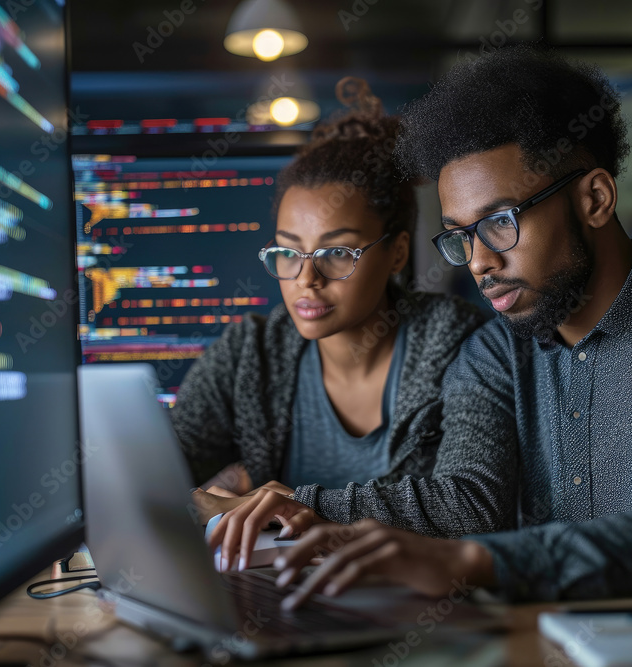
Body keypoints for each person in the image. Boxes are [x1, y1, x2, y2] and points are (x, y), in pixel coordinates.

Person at [271, 45, 632, 609]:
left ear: (594, 198)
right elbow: (465, 503)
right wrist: (298, 509)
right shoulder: (494, 352)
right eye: (460, 235)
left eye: (498, 222)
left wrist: (478, 561)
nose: (478, 262)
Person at [170, 79, 513, 572]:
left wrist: (299, 507)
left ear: (396, 253)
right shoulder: (254, 349)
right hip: (283, 599)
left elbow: (469, 507)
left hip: (418, 607)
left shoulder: (456, 343)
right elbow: (153, 472)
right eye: (289, 252)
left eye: (337, 253)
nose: (306, 279)